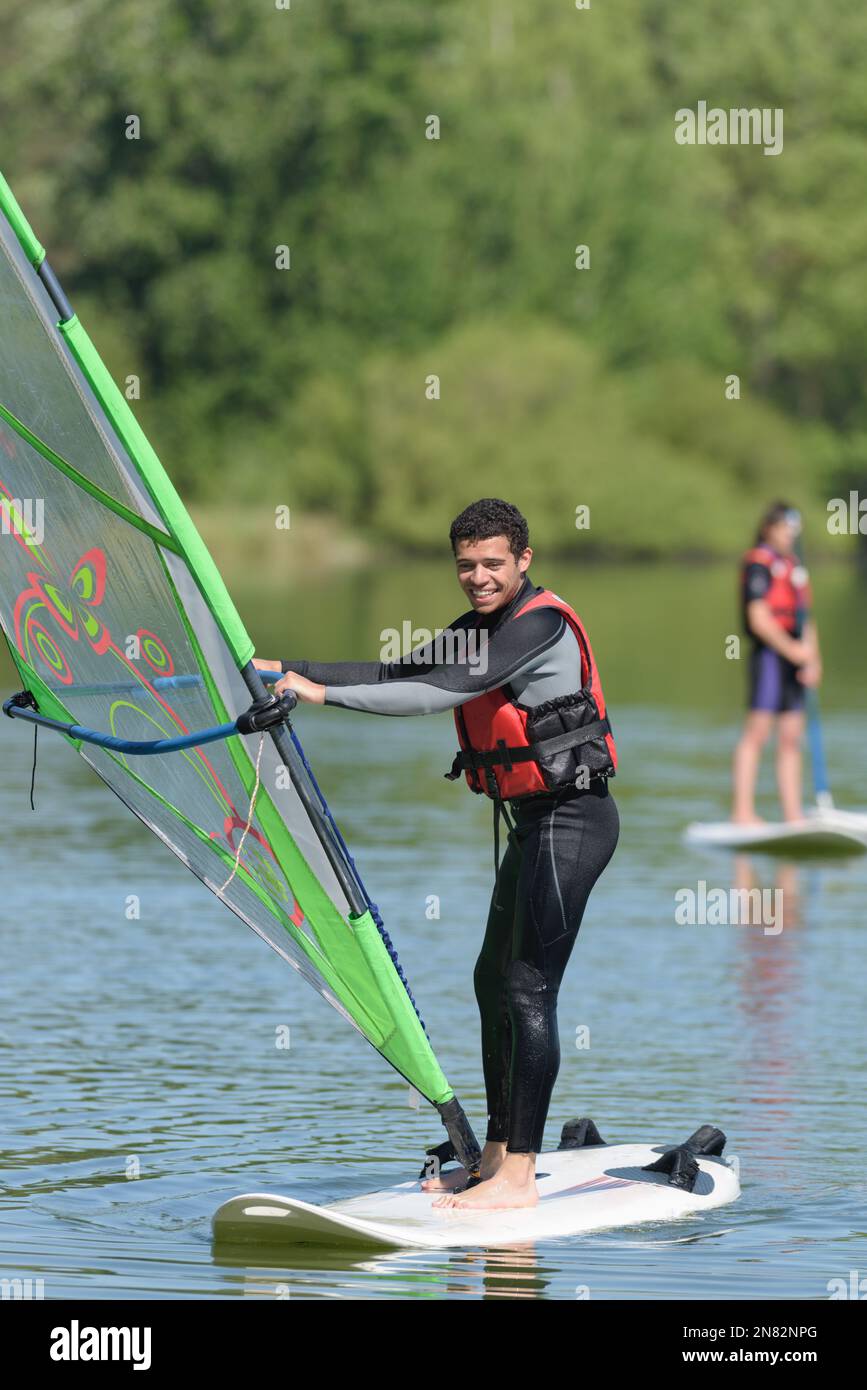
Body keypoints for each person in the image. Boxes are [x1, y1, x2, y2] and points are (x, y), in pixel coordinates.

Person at [255, 498, 619, 1211]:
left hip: (572, 823)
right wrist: (283, 666)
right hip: (531, 821)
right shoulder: (480, 625)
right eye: (465, 565)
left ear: (523, 560)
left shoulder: (539, 623)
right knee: (492, 981)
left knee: (528, 989)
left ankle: (518, 1179)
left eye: (491, 563)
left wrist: (318, 695)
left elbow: (439, 692)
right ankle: (491, 1158)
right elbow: (396, 671)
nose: (477, 577)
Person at [731, 502, 822, 824]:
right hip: (770, 656)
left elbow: (805, 619)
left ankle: (793, 815)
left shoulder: (794, 567)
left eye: (794, 530)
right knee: (757, 733)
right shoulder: (759, 565)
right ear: (769, 528)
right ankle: (742, 813)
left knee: (791, 736)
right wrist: (792, 650)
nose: (791, 535)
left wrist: (812, 658)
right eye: (786, 528)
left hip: (794, 660)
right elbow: (758, 619)